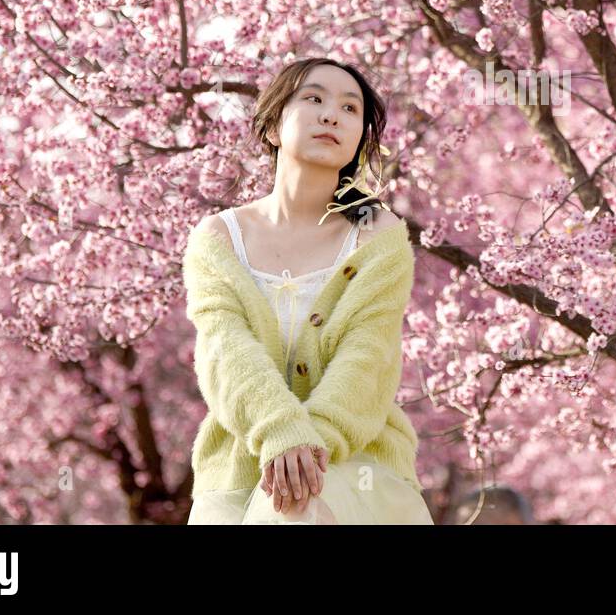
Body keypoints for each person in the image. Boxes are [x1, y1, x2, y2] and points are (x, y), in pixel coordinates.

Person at [184, 57, 431, 524]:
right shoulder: (218, 238)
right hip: (237, 469)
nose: (331, 115)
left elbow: (368, 353)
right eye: (313, 99)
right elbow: (224, 351)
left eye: (349, 108)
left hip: (356, 463)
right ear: (274, 126)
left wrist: (307, 446)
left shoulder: (378, 237)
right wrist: (281, 434)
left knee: (299, 508)